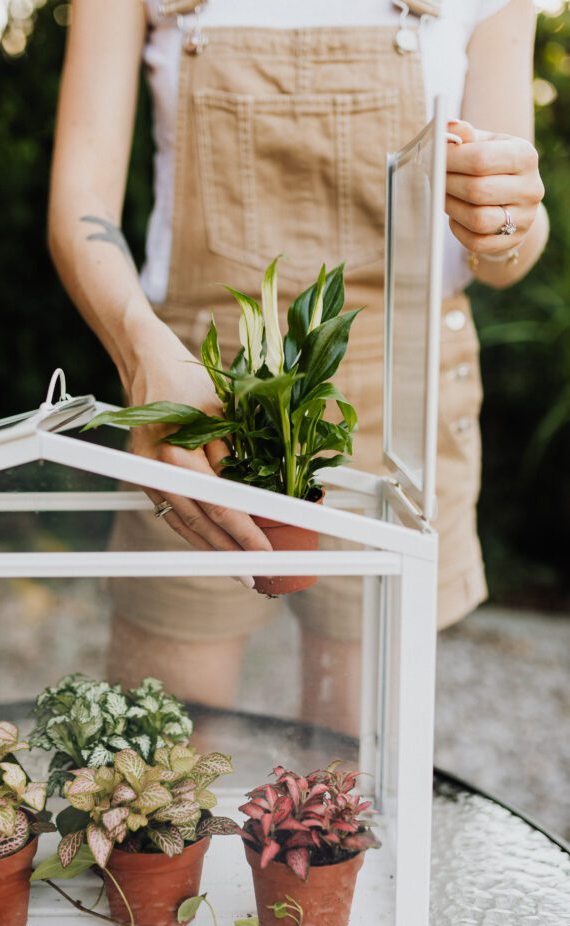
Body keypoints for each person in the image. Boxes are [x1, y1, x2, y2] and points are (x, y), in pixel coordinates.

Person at [48, 0, 547, 731]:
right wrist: (143, 356)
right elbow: (80, 198)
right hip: (198, 402)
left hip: (394, 406)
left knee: (358, 773)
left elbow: (506, 256)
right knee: (156, 762)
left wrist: (504, 218)